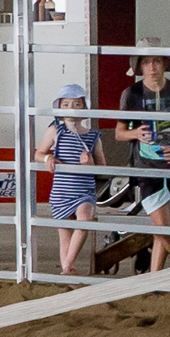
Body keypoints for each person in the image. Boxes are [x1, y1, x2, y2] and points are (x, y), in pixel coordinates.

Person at [117, 42, 170, 270]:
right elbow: (119, 133)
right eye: (146, 61)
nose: (152, 67)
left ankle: (156, 277)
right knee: (162, 227)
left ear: (165, 64)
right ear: (139, 66)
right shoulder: (131, 94)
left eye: (156, 61)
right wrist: (135, 133)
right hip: (146, 167)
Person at [38, 82, 101, 275]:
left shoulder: (93, 136)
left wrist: (90, 164)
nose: (70, 109)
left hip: (84, 192)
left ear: (84, 107)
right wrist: (48, 157)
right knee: (65, 234)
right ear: (59, 107)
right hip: (61, 192)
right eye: (65, 105)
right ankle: (68, 271)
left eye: (76, 104)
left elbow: (103, 166)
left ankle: (68, 265)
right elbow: (39, 153)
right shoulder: (56, 130)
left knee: (84, 219)